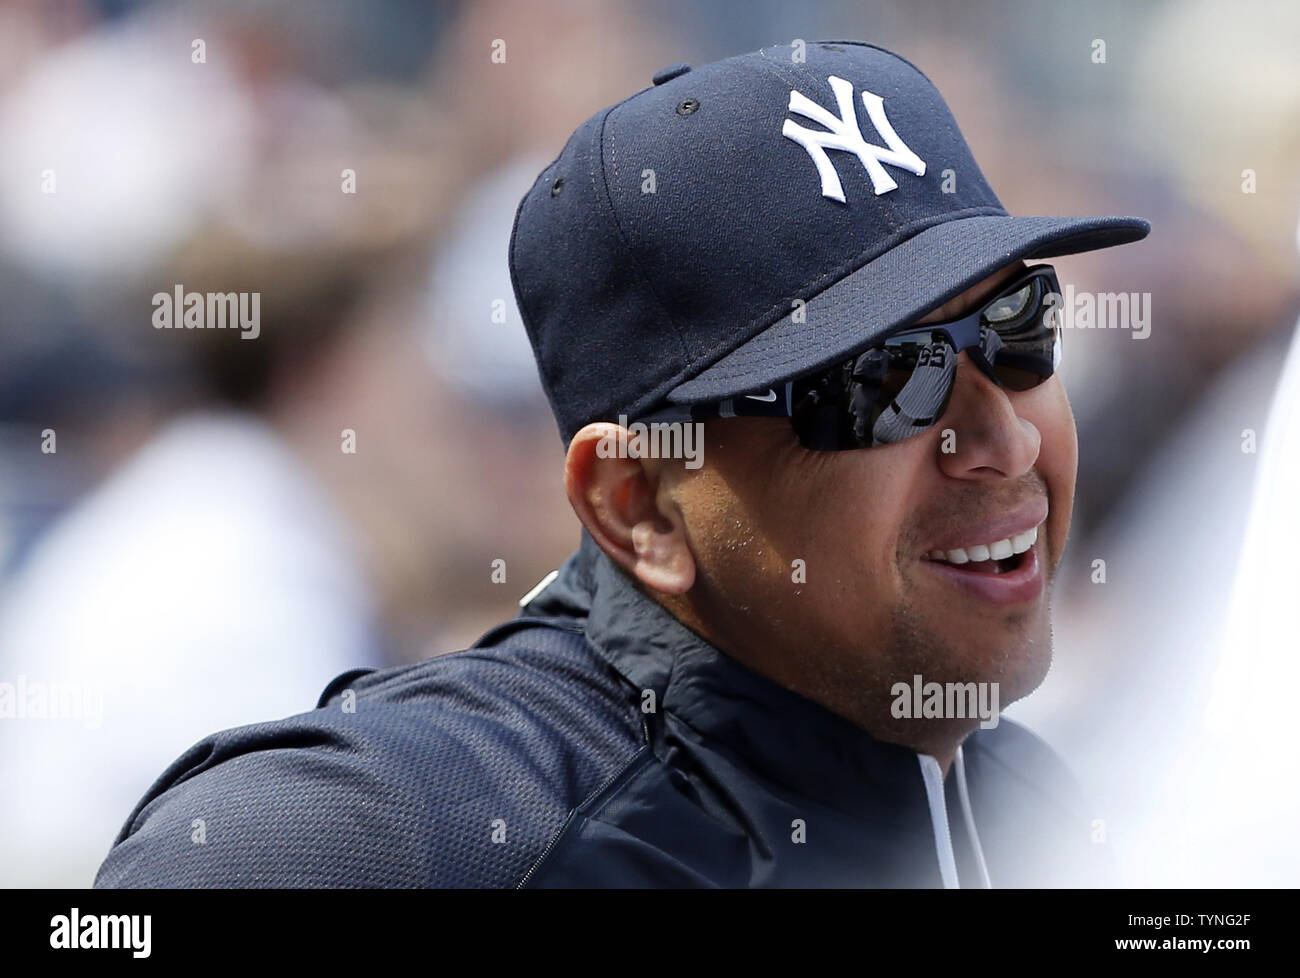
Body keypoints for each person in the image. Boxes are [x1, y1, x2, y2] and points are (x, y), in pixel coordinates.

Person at [95, 41, 1149, 888]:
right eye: (889, 382)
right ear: (637, 503)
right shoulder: (414, 825)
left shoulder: (1042, 805)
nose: (1004, 441)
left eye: (1018, 327)